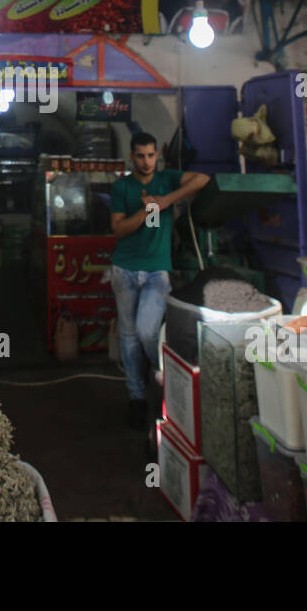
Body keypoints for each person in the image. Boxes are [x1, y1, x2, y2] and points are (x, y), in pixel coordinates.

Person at [109, 131, 209, 428]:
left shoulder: (167, 179)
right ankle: (136, 397)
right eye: (140, 155)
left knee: (147, 331)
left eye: (151, 155)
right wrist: (146, 210)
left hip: (156, 271)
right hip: (124, 269)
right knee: (128, 335)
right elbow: (118, 229)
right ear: (132, 157)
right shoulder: (121, 187)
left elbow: (202, 179)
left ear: (157, 156)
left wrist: (164, 201)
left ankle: (162, 374)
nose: (147, 161)